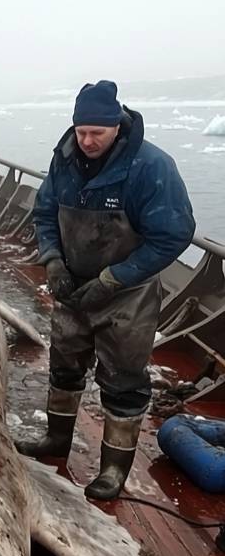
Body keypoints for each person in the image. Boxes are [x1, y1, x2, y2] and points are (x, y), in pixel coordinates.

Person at [16, 80, 196, 499]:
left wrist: (113, 279)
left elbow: (173, 234)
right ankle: (56, 439)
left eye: (96, 132)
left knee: (123, 380)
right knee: (64, 366)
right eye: (81, 131)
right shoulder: (64, 160)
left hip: (126, 295)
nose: (87, 141)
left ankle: (113, 470)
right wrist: (53, 260)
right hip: (72, 287)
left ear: (117, 125)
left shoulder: (151, 166)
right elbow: (45, 213)